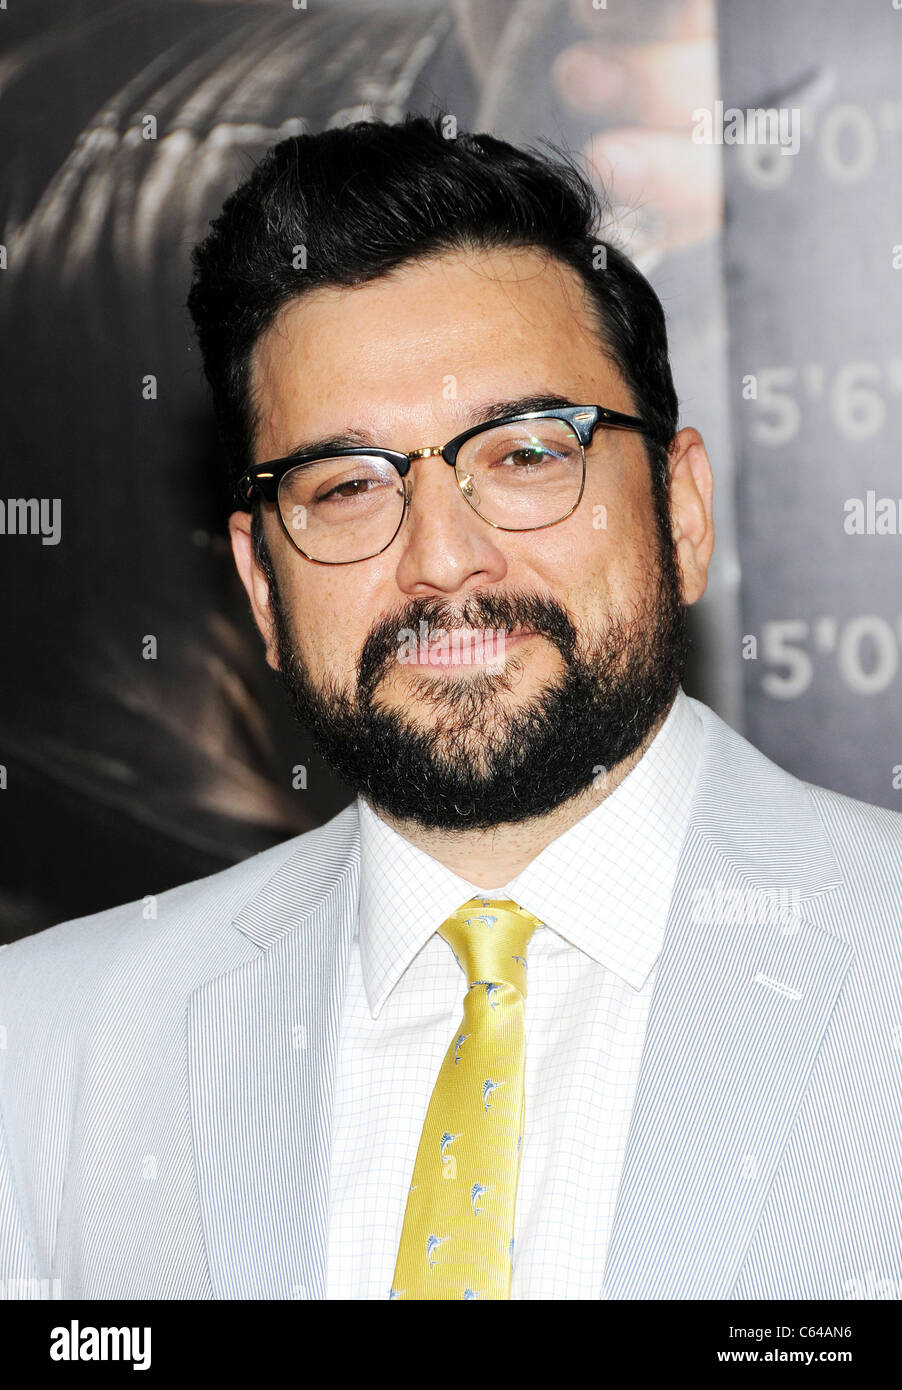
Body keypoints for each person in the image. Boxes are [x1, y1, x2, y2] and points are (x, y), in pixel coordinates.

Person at [1, 113, 899, 1302]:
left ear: (679, 512)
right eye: (346, 484)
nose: (442, 559)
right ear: (261, 584)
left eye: (526, 453)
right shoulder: (47, 1048)